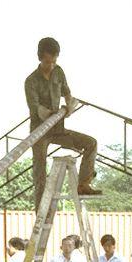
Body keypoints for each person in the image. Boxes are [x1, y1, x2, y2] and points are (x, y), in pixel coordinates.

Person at [25, 37, 101, 210]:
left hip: (58, 129)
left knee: (91, 143)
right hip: (39, 132)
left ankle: (83, 184)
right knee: (40, 174)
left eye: (54, 61)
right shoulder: (31, 81)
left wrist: (69, 106)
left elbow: (67, 93)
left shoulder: (58, 72)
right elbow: (36, 109)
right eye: (48, 62)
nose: (51, 65)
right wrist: (51, 114)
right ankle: (40, 211)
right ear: (40, 58)